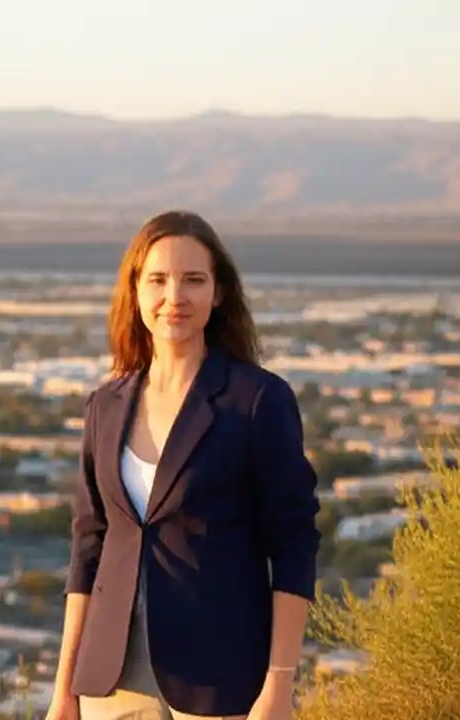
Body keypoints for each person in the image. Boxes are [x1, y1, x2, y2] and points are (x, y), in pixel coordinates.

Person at [45, 211, 321, 720]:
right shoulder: (105, 406)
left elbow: (293, 545)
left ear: (218, 293)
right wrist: (64, 689)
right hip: (111, 681)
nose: (175, 296)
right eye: (158, 280)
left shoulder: (258, 400)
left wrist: (279, 686)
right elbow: (88, 548)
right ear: (136, 292)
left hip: (224, 680)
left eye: (194, 280)